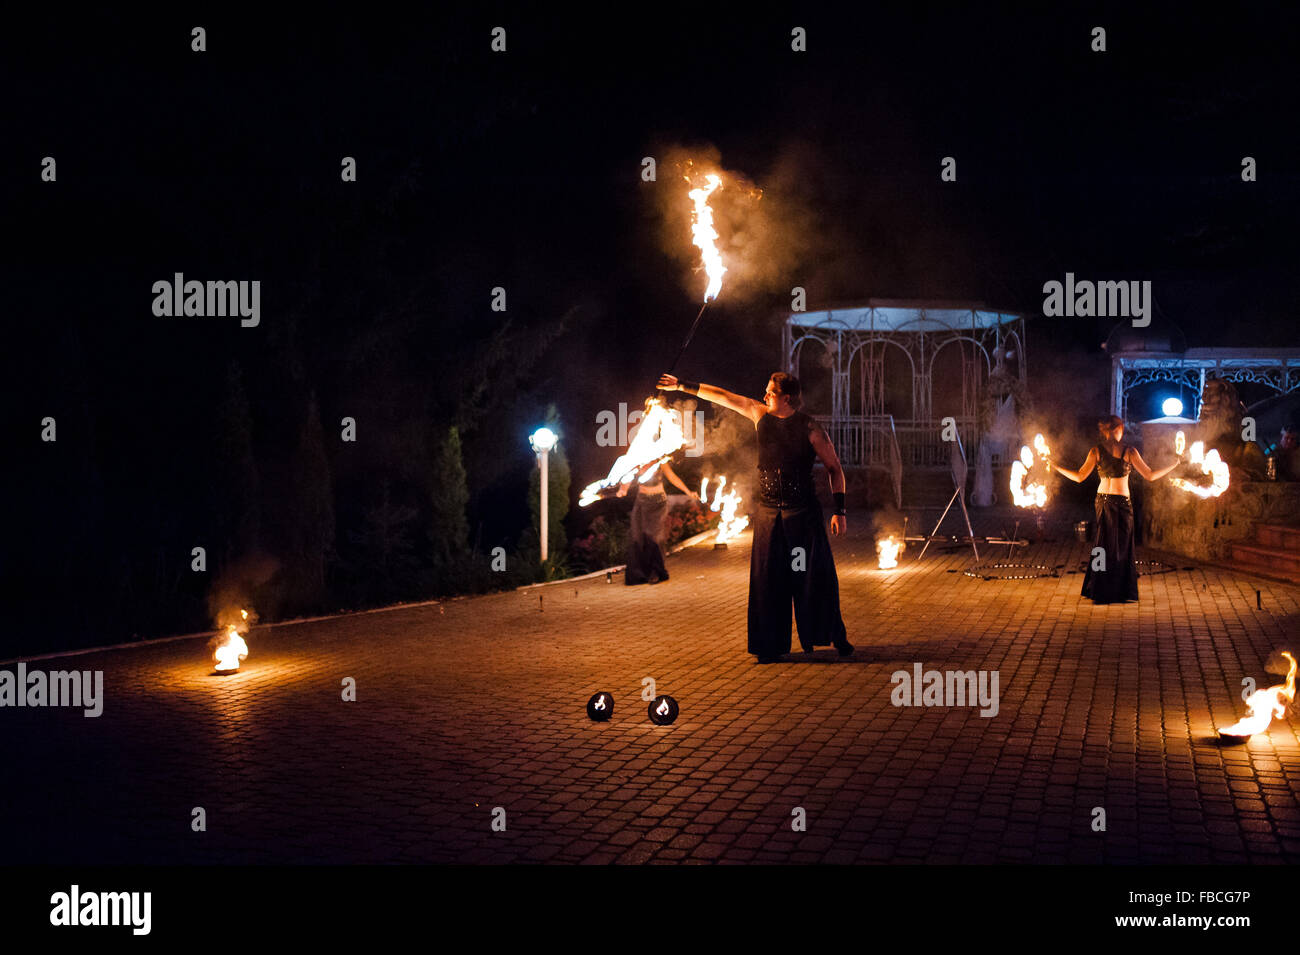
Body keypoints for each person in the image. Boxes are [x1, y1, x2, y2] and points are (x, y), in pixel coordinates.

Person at [658, 371, 854, 662]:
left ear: (786, 398)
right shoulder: (758, 414)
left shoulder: (810, 428)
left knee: (808, 575)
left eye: (770, 393)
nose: (764, 396)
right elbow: (724, 396)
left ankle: (833, 636)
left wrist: (840, 511)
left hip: (801, 517)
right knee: (768, 578)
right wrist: (682, 386)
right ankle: (768, 646)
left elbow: (835, 469)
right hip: (769, 515)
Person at [1049, 415, 1181, 604]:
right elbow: (1150, 475)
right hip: (1121, 503)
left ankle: (1098, 588)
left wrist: (1055, 466)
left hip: (1103, 501)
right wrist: (1174, 464)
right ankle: (1119, 590)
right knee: (1122, 547)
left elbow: (1079, 477)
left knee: (1101, 545)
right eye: (1120, 428)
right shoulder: (1129, 451)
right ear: (1118, 429)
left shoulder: (1096, 451)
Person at [619, 454, 692, 585]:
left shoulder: (660, 462)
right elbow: (627, 479)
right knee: (637, 537)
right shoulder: (637, 462)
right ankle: (639, 575)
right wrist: (623, 490)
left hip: (658, 503)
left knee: (653, 537)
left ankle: (656, 573)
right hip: (641, 502)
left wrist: (688, 492)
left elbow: (673, 478)